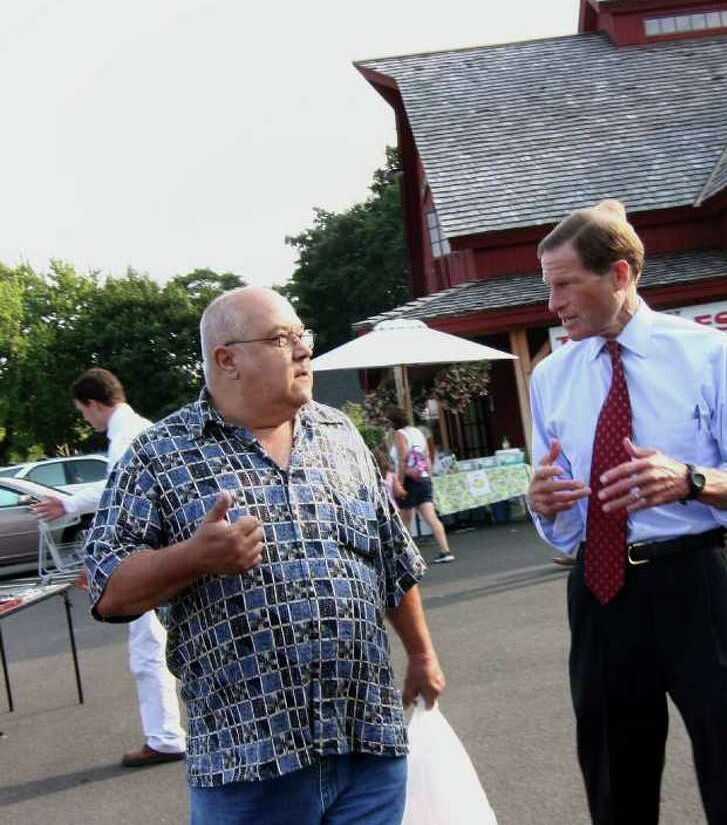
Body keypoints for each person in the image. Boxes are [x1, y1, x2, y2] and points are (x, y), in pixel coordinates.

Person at [83, 287, 444, 824]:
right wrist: (193, 557)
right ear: (226, 359)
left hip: (367, 741)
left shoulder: (339, 435)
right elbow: (108, 589)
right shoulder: (159, 455)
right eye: (280, 339)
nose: (303, 350)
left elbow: (392, 558)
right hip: (251, 765)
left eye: (302, 335)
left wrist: (422, 654)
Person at [527, 200, 727, 825]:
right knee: (616, 786)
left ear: (619, 274)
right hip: (602, 593)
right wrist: (544, 503)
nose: (553, 304)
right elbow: (561, 515)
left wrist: (691, 480)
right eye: (549, 288)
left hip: (703, 585)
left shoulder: (706, 352)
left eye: (566, 285)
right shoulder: (550, 377)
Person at [31, 368, 188, 768]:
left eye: (83, 412)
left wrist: (70, 508)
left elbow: (118, 492)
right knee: (158, 645)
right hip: (160, 550)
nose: (86, 420)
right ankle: (166, 735)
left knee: (148, 650)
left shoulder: (126, 437)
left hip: (146, 557)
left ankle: (165, 737)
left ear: (93, 404)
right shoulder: (140, 429)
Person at [387, 409, 454, 563]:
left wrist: (400, 483)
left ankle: (408, 557)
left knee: (405, 521)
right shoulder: (418, 432)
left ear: (393, 422)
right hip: (423, 478)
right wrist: (429, 477)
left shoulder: (400, 434)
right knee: (431, 518)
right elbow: (426, 457)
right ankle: (445, 550)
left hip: (408, 481)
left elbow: (402, 459)